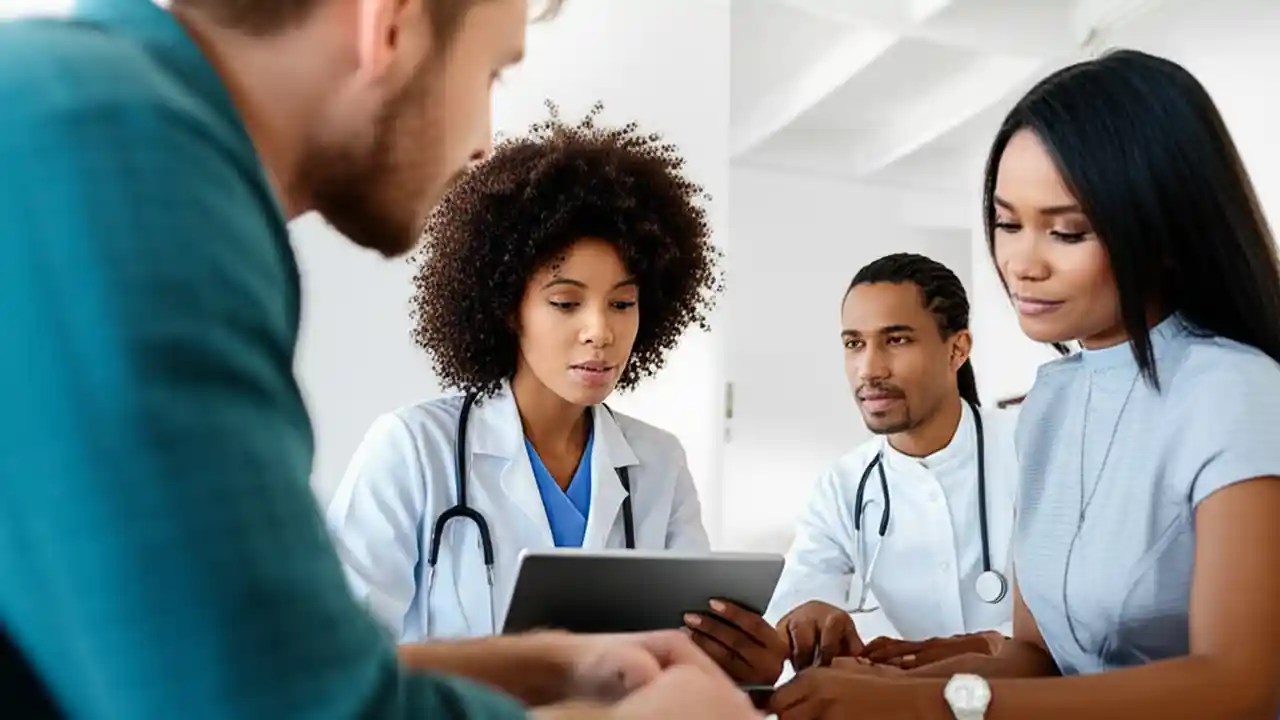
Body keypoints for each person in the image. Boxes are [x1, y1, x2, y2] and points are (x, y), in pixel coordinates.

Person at [0, 1, 757, 718]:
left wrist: (563, 664)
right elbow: (274, 706)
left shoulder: (86, 115)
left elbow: (291, 661)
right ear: (388, 22)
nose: (483, 142)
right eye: (492, 71)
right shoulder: (123, 162)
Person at [766, 49, 1280, 720]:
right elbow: (1039, 659)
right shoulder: (1052, 404)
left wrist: (937, 706)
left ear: (1161, 231)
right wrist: (891, 680)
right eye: (1008, 223)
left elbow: (1237, 685)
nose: (1020, 264)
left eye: (1066, 231)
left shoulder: (1235, 393)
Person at [327, 105, 719, 641]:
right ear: (509, 307)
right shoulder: (414, 449)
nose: (599, 331)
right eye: (565, 303)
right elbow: (336, 655)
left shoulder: (659, 462)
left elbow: (692, 644)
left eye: (623, 303)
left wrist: (740, 657)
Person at [683, 253, 1018, 688]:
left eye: (896, 341)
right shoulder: (845, 484)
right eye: (854, 343)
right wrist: (808, 617)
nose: (869, 369)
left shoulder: (1029, 448)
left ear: (957, 349)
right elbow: (802, 592)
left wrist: (991, 644)